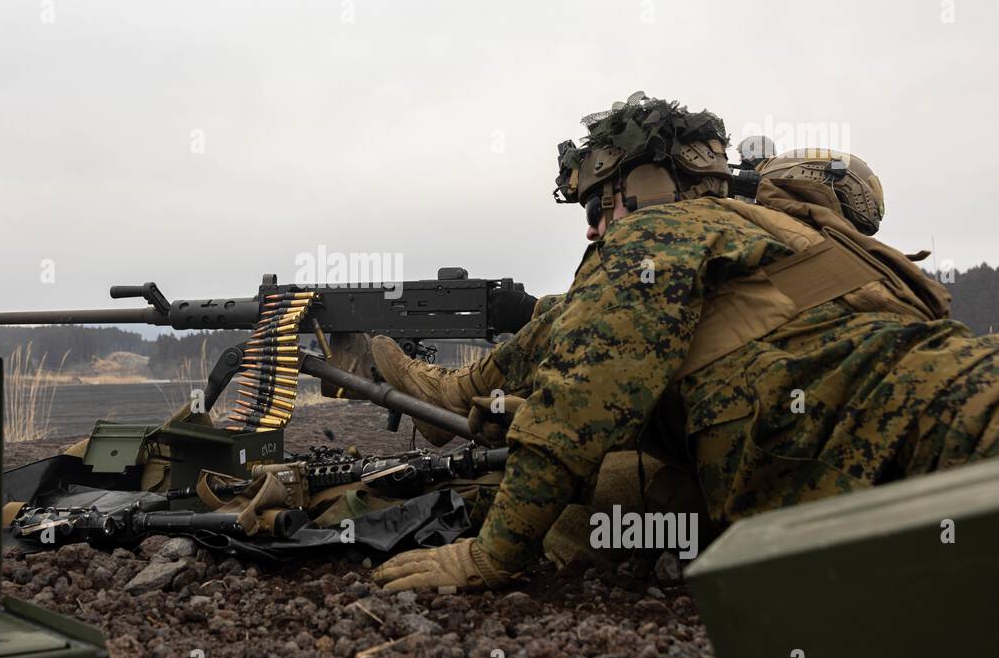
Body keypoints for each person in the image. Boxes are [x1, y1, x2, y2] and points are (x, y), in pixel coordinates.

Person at [372, 95, 996, 592]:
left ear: (641, 186)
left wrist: (492, 556)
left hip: (947, 443)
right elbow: (590, 327)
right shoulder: (790, 240)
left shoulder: (660, 232)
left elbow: (580, 405)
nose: (593, 228)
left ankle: (457, 395)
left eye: (597, 204)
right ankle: (459, 392)